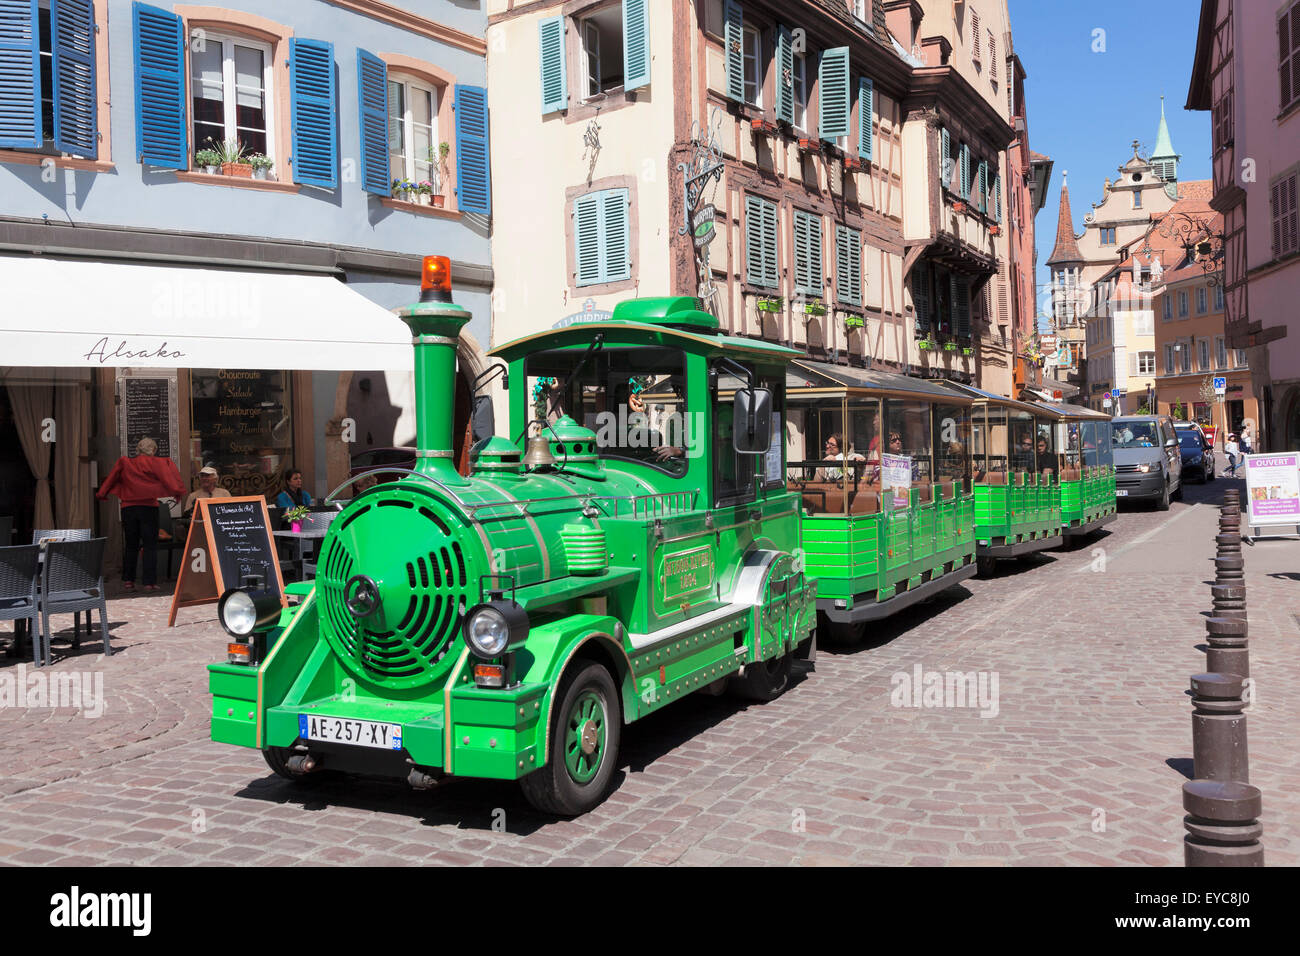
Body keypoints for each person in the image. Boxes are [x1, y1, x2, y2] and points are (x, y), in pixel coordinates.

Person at [97, 437, 187, 591]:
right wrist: (177, 492)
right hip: (148, 507)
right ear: (153, 450)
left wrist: (102, 494)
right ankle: (149, 582)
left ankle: (128, 581)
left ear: (138, 449)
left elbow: (111, 479)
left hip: (128, 509)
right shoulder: (157, 462)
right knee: (149, 545)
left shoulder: (124, 462)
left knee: (131, 545)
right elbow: (168, 479)